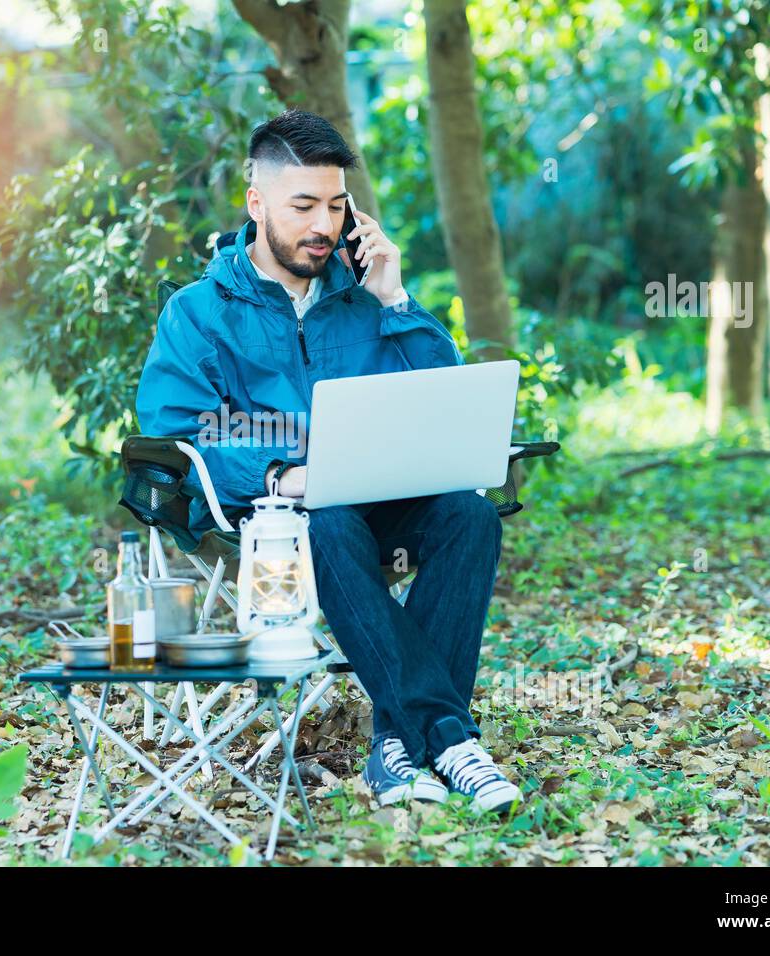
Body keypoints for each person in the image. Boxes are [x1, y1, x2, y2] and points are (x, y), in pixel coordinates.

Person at [135, 109, 519, 814]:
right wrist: (281, 475)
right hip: (269, 525)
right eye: (304, 205)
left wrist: (396, 298)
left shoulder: (365, 299)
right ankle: (446, 737)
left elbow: (443, 393)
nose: (324, 224)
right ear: (257, 204)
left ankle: (398, 747)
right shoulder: (200, 311)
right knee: (330, 520)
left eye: (338, 206)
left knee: (469, 517)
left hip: (380, 503)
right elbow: (177, 427)